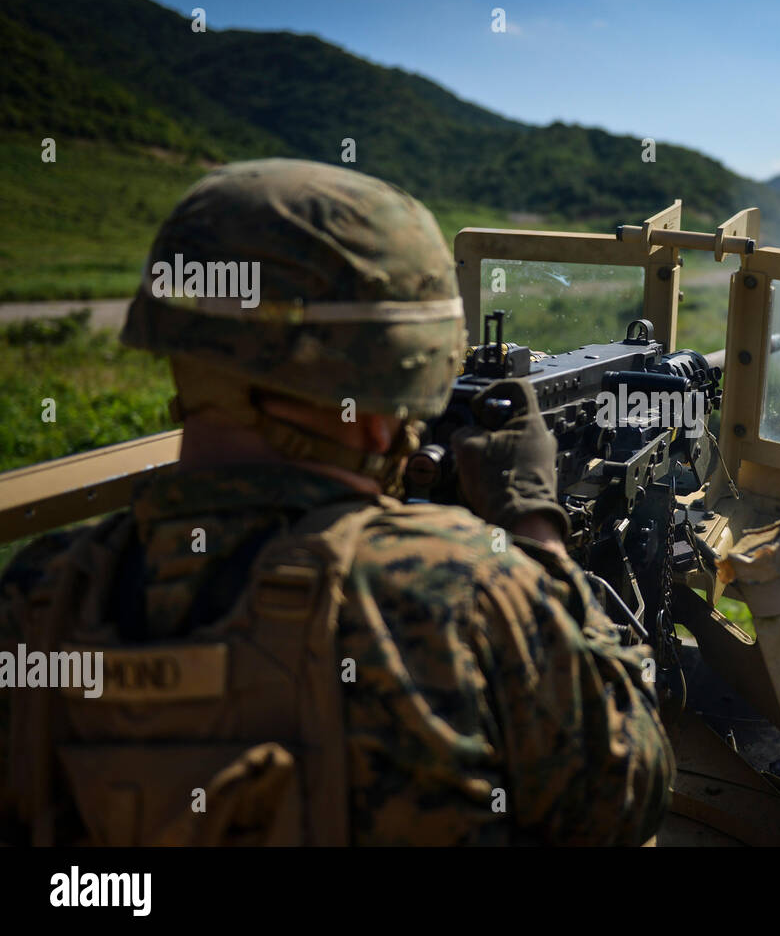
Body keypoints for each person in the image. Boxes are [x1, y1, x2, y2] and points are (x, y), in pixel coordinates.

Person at [0, 159, 673, 846]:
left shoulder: (43, 595)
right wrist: (531, 526)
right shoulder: (463, 595)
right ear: (391, 395)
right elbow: (625, 792)